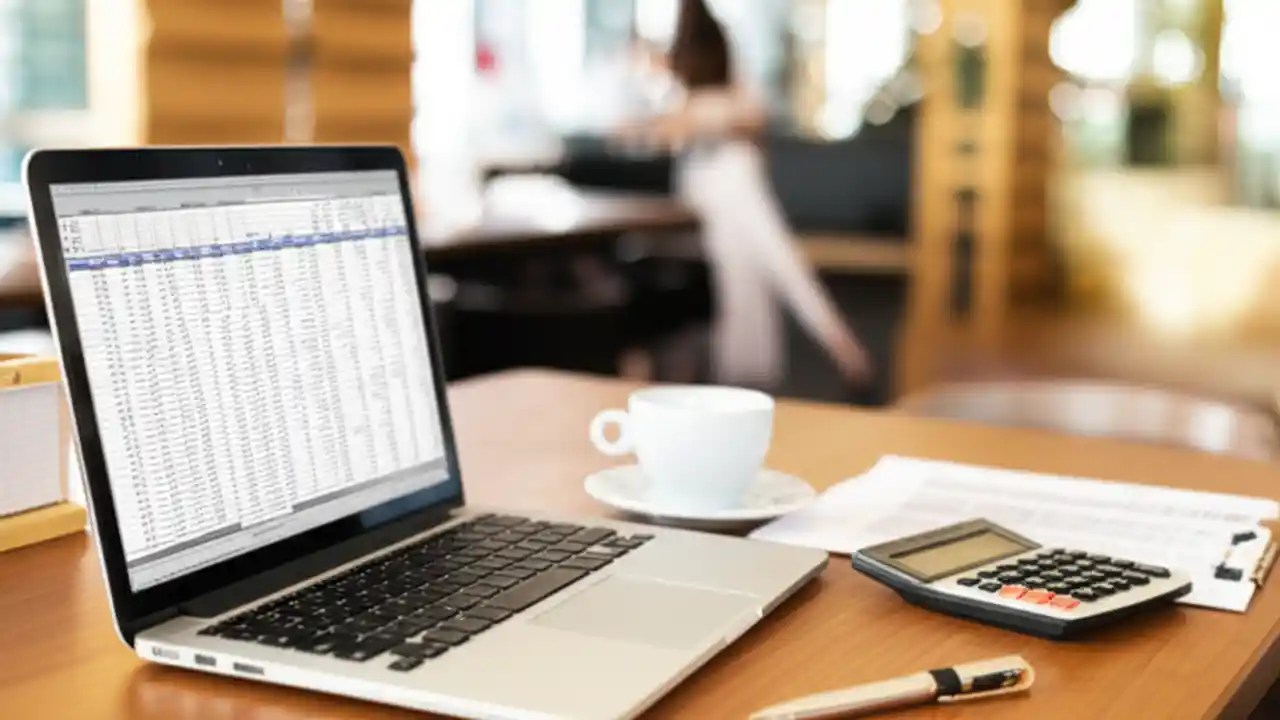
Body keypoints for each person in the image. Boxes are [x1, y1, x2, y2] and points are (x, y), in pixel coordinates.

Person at [621, 0, 872, 390]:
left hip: (730, 200)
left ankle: (836, 349)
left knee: (766, 272)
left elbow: (738, 120)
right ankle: (840, 347)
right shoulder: (698, 107)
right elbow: (664, 130)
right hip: (721, 205)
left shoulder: (717, 106)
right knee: (770, 272)